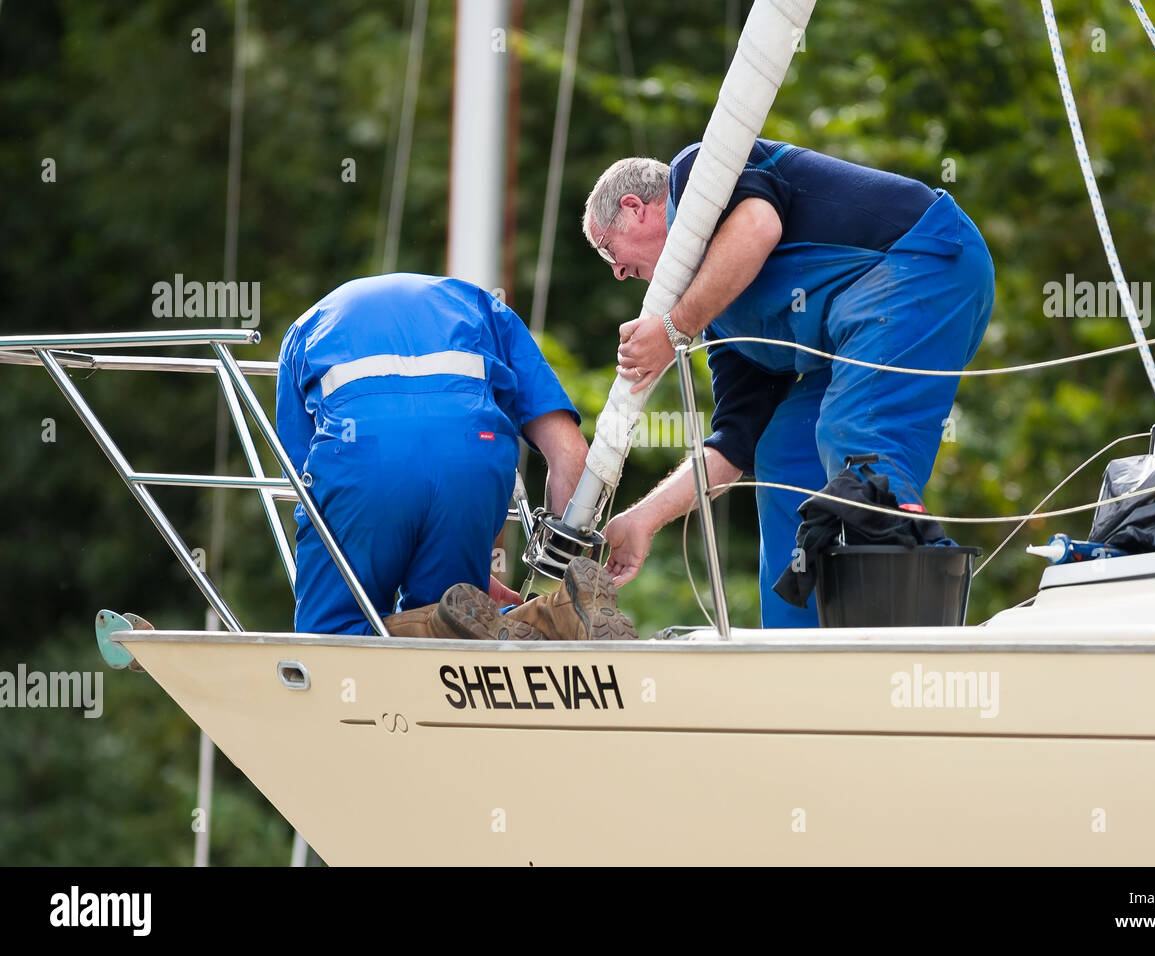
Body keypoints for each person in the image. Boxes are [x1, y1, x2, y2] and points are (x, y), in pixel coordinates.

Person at [582, 140, 995, 627]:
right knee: (780, 451)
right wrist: (642, 519)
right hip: (859, 328)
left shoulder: (696, 172)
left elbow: (758, 225)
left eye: (610, 248)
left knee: (855, 437)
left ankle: (915, 626)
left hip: (924, 260)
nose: (617, 272)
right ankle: (798, 644)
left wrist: (672, 328)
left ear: (636, 208)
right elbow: (734, 446)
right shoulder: (725, 319)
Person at [276, 272, 630, 639]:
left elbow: (308, 483)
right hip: (473, 458)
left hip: (362, 458)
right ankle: (549, 613)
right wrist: (561, 576)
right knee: (455, 625)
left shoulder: (306, 328)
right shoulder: (485, 307)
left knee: (330, 637)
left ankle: (415, 635)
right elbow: (569, 451)